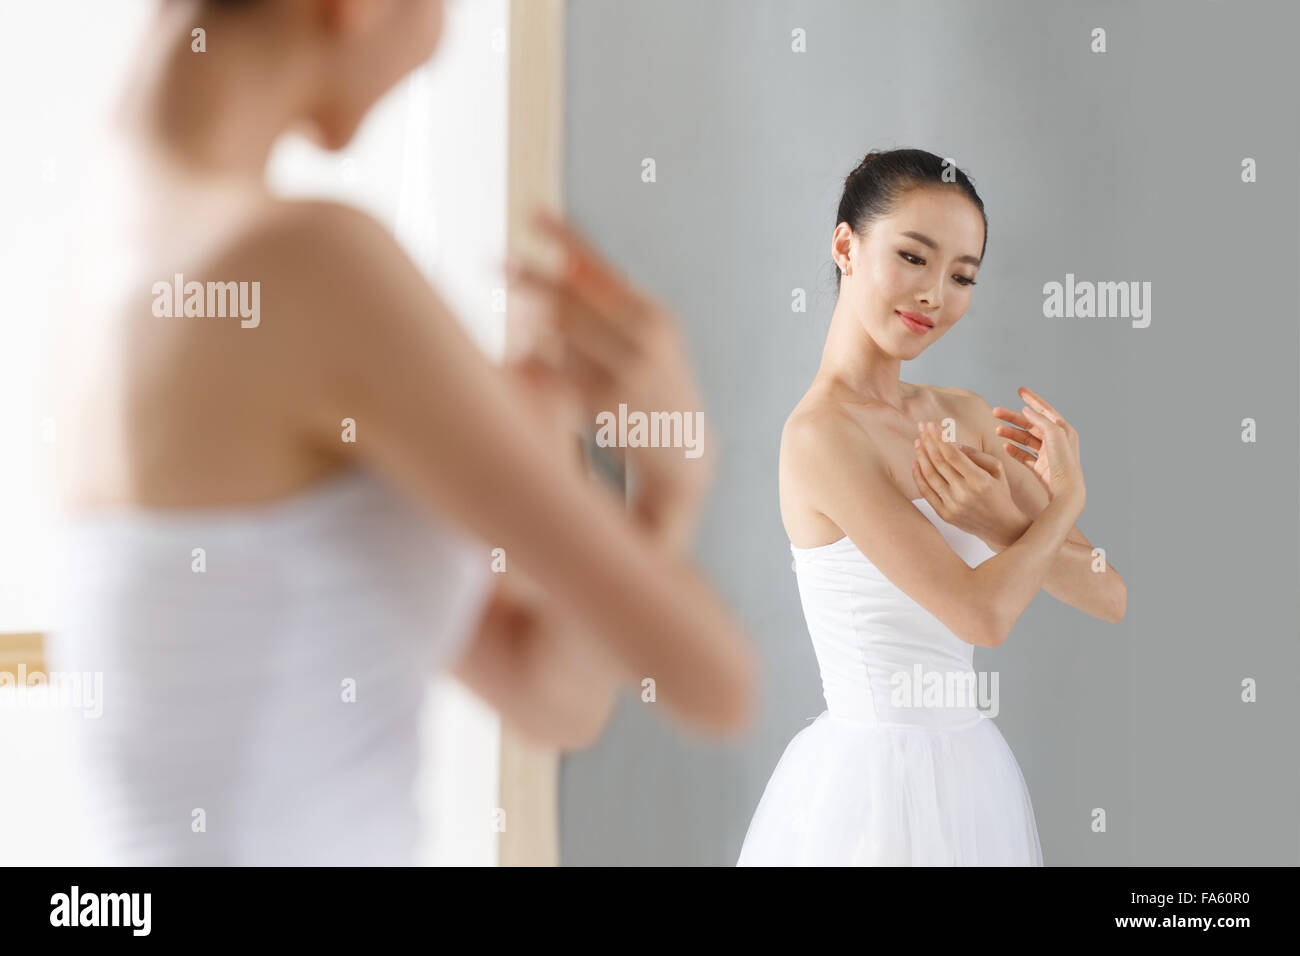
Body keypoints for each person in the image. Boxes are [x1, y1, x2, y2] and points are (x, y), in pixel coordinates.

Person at [44, 0, 756, 865]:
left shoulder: (124, 248)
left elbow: (544, 697)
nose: (437, 42)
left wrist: (564, 481)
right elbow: (715, 681)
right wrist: (674, 476)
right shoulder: (304, 261)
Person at [736, 148, 1127, 866]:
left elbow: (1109, 595)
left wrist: (1003, 524)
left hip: (970, 773)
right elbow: (982, 616)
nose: (934, 295)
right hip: (867, 793)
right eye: (913, 257)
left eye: (962, 276)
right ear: (845, 246)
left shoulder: (964, 416)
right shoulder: (820, 436)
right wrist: (1065, 501)